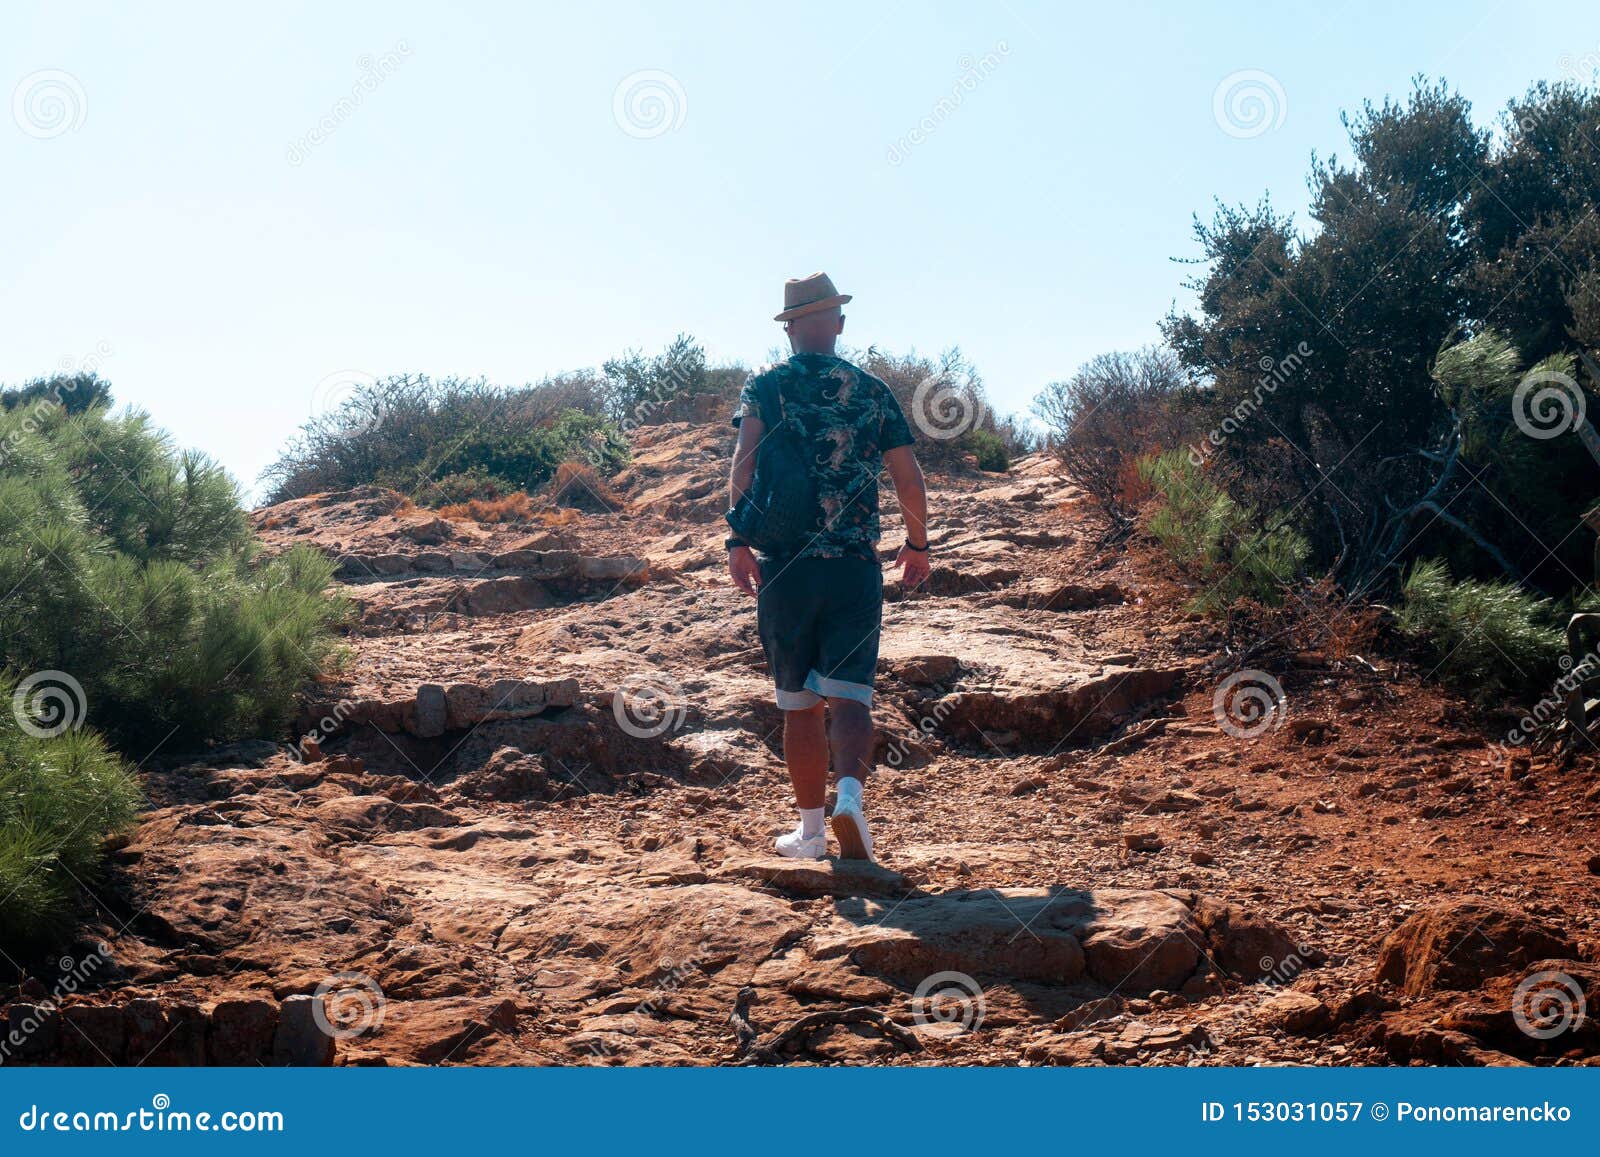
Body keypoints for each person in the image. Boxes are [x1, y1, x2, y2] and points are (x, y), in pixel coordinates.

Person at [726, 272, 930, 861]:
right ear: (838, 323)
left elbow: (743, 464)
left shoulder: (766, 386)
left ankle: (812, 832)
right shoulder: (873, 392)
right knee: (850, 695)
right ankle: (851, 799)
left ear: (789, 328)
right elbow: (908, 480)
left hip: (786, 567)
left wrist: (737, 540)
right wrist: (916, 546)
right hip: (854, 568)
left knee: (799, 704)